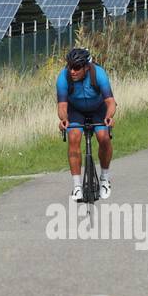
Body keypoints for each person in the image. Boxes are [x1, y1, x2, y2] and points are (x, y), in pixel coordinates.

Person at [55, 46, 116, 200]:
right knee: (74, 138)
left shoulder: (99, 75)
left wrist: (109, 117)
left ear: (87, 68)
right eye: (70, 67)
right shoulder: (63, 78)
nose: (72, 71)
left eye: (76, 68)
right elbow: (62, 106)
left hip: (98, 108)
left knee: (103, 137)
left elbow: (110, 102)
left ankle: (104, 179)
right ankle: (76, 186)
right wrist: (63, 119)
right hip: (76, 110)